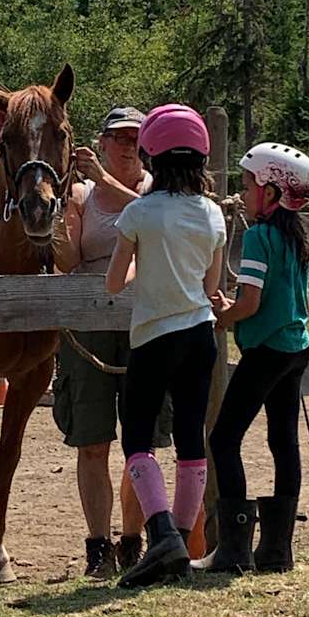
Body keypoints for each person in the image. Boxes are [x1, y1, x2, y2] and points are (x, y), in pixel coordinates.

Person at [105, 104, 227, 589]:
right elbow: (211, 283)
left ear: (151, 154)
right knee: (191, 439)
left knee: (137, 437)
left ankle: (161, 537)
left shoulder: (139, 213)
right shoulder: (214, 214)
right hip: (199, 335)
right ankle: (179, 536)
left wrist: (142, 270)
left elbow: (115, 282)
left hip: (153, 337)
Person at [51, 106, 170, 578]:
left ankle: (133, 541)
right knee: (93, 442)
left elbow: (156, 227)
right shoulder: (81, 195)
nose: (127, 144)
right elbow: (66, 261)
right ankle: (98, 547)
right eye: (119, 136)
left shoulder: (156, 192)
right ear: (101, 142)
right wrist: (55, 215)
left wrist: (102, 178)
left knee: (142, 444)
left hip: (146, 325)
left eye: (135, 136)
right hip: (90, 326)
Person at [194, 142, 309, 575]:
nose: (243, 193)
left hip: (265, 350)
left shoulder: (258, 236)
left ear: (270, 191)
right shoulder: (294, 235)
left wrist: (224, 316)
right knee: (283, 441)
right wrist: (236, 306)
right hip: (295, 348)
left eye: (248, 185)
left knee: (224, 439)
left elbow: (250, 302)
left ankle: (233, 549)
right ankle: (276, 550)